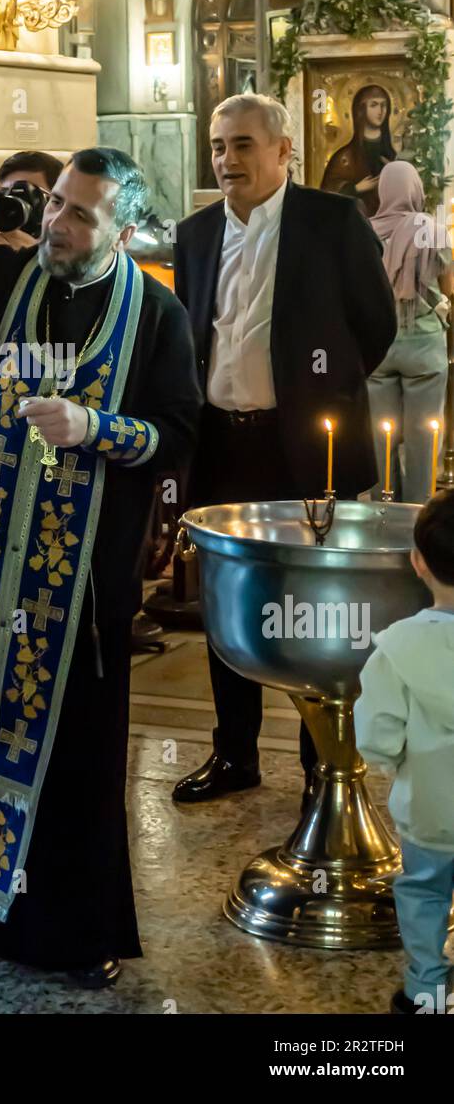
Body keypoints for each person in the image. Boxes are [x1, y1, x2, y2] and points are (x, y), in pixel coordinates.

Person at [0, 147, 201, 985]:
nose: (58, 224)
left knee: (73, 761)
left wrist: (96, 428)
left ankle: (72, 929)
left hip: (79, 585)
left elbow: (177, 433)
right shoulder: (4, 280)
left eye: (81, 215)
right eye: (55, 203)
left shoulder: (157, 316)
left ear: (123, 229)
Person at [173, 94, 397, 806]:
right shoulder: (197, 231)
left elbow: (375, 324)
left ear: (283, 151)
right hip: (223, 442)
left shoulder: (332, 222)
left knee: (314, 608)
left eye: (242, 145)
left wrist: (316, 391)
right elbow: (193, 331)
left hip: (306, 445)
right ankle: (233, 753)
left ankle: (320, 765)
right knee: (227, 601)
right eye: (217, 147)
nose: (226, 160)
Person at [354, 489, 454, 1015]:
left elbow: (378, 731)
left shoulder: (397, 644)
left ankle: (427, 990)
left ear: (417, 562)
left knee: (423, 895)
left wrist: (389, 762)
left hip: (430, 809)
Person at [367, 162, 454, 504]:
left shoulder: (367, 230)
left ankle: (384, 514)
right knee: (424, 437)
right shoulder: (431, 229)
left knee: (380, 436)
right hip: (425, 346)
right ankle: (420, 514)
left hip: (380, 346)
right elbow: (449, 286)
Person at [0, 149, 64, 250]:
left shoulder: (74, 252)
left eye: (30, 195)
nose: (14, 207)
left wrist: (33, 259)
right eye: (7, 193)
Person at [320, 83, 397, 218]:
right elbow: (326, 195)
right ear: (361, 110)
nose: (380, 111)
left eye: (384, 105)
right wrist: (355, 189)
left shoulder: (395, 153)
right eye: (374, 105)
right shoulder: (345, 157)